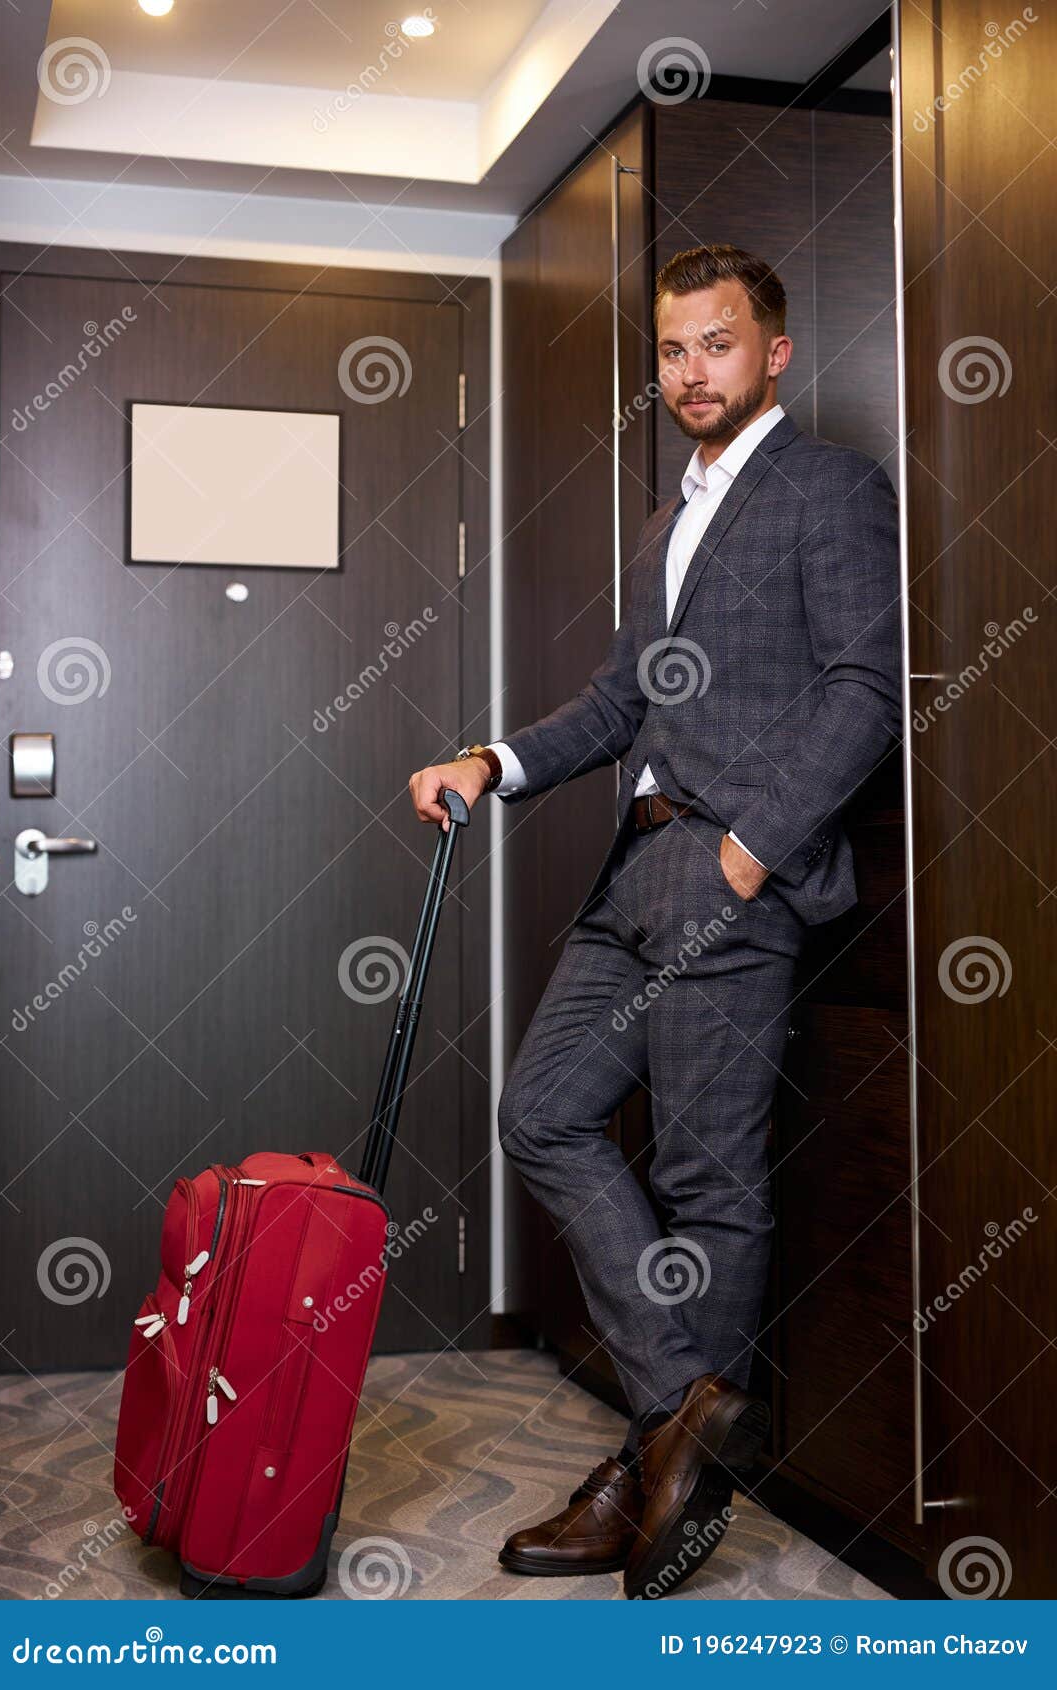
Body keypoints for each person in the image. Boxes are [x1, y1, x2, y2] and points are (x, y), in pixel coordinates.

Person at [409, 243, 901, 1600]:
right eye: (675, 349)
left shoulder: (831, 488)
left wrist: (752, 846)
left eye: (719, 345)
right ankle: (689, 1412)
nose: (692, 372)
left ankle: (651, 1472)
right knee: (545, 1108)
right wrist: (493, 764)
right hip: (633, 873)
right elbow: (625, 703)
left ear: (775, 353)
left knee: (706, 1184)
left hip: (725, 878)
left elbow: (867, 684)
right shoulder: (664, 519)